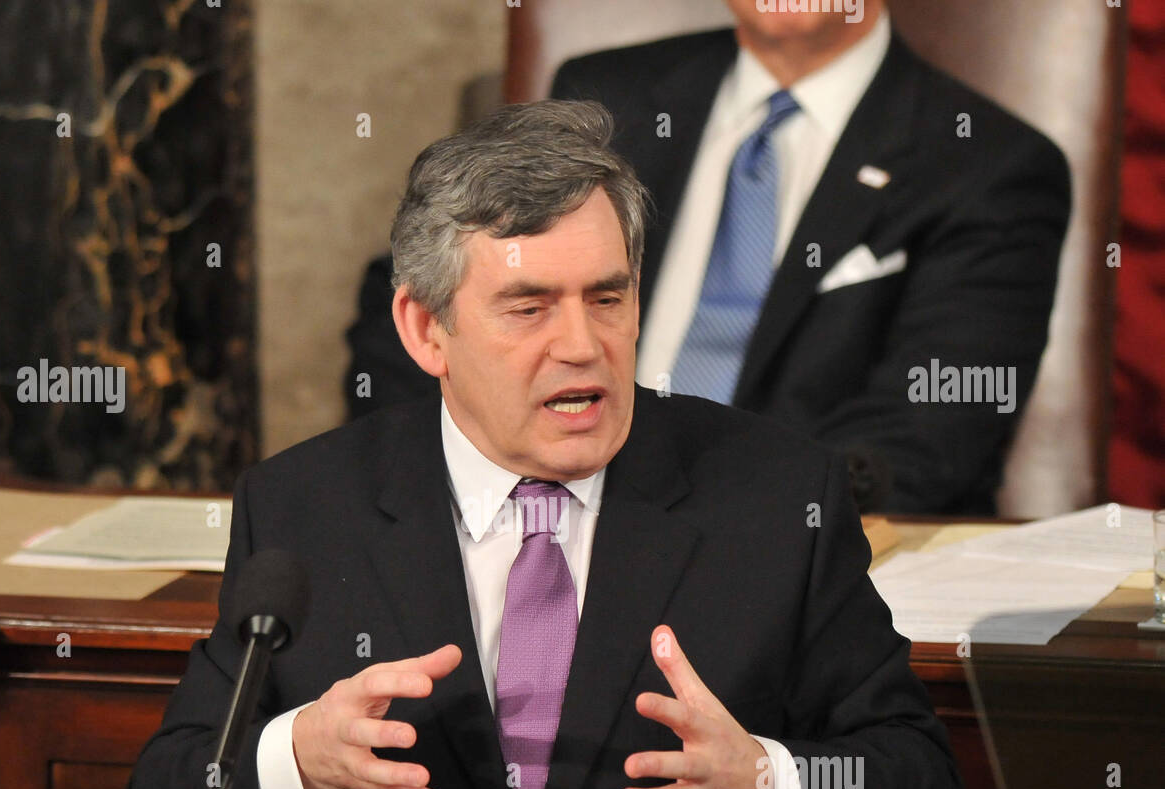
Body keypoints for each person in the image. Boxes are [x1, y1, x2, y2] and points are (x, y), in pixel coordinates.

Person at [131, 100, 965, 789]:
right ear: (426, 330)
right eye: (528, 308)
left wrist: (763, 787)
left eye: (608, 299)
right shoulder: (306, 507)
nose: (582, 346)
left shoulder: (777, 499)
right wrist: (298, 758)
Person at [342, 0, 1071, 514]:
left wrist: (693, 521)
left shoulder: (988, 163)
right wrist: (463, 484)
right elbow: (422, 292)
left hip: (797, 557)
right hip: (541, 517)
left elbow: (933, 424)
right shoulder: (607, 96)